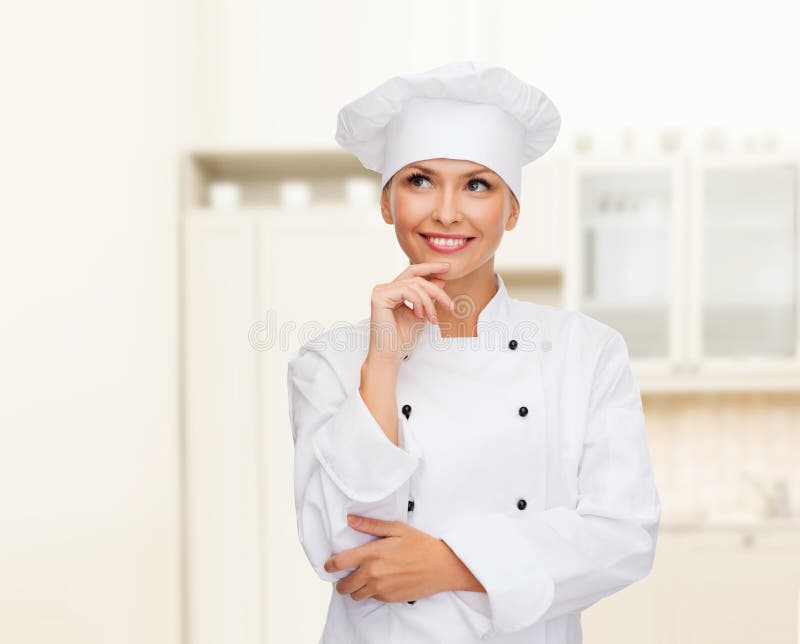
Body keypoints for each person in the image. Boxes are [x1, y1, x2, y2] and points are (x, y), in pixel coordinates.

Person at [286, 60, 661, 644]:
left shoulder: (586, 353)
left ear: (512, 210)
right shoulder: (328, 362)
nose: (446, 211)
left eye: (477, 185)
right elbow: (341, 552)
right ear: (386, 204)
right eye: (419, 181)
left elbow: (623, 536)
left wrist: (451, 564)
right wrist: (381, 367)